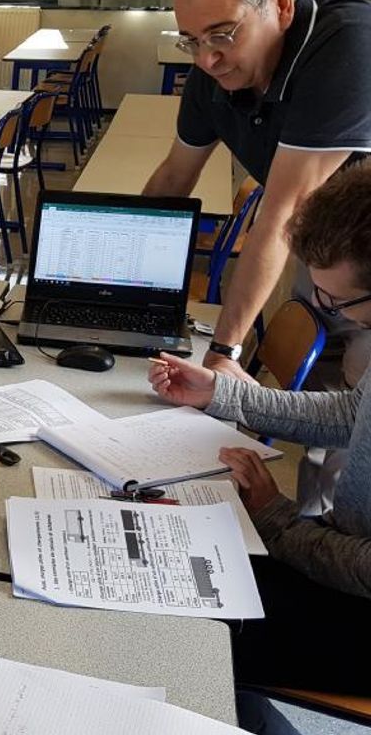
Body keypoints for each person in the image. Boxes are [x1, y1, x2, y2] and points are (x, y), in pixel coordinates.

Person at [141, 0, 371, 513]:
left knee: (357, 429)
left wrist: (225, 349)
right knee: (333, 407)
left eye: (223, 33)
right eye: (191, 40)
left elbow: (282, 213)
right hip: (329, 253)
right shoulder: (213, 64)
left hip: (362, 262)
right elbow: (173, 178)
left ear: (282, 5)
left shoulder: (347, 48)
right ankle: (319, 532)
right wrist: (123, 285)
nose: (207, 58)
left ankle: (334, 543)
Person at [148, 161, 371, 696]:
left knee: (178, 634)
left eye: (338, 303)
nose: (330, 313)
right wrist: (222, 392)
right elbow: (352, 415)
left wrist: (276, 520)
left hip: (357, 601)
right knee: (172, 568)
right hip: (332, 553)